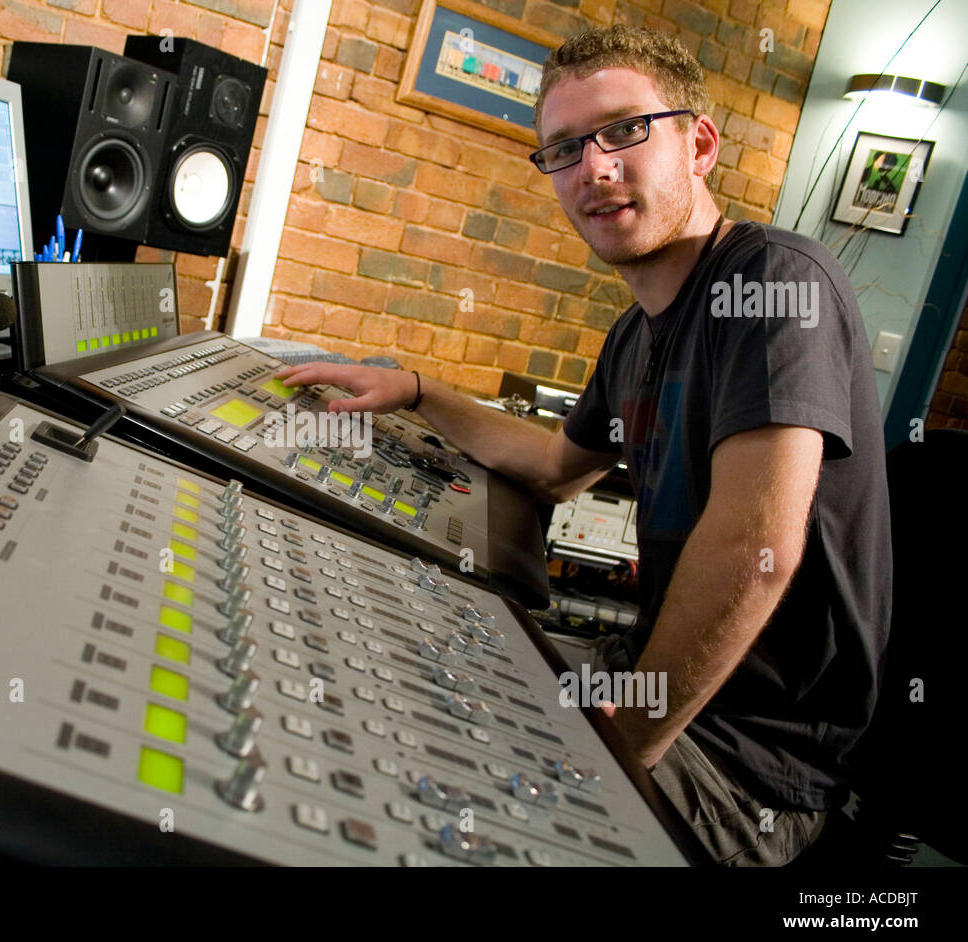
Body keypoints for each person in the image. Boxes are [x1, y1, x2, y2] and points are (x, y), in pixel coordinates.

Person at [281, 24, 891, 866]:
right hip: (638, 675)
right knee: (378, 683)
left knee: (412, 818)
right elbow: (557, 467)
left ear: (699, 144)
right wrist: (418, 393)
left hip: (743, 769)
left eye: (623, 129)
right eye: (564, 148)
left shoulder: (775, 282)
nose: (593, 168)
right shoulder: (634, 337)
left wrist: (613, 749)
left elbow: (758, 547)